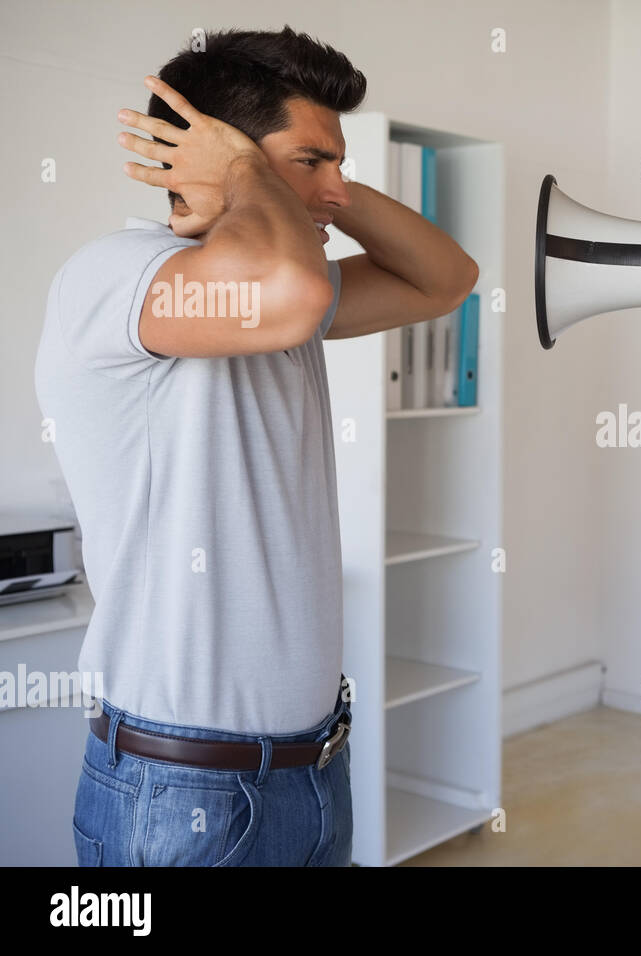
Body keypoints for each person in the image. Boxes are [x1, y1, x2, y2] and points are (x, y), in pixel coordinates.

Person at [34, 27, 478, 866]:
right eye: (312, 160)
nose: (334, 188)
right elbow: (287, 287)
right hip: (181, 790)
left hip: (311, 768)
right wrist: (242, 174)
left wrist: (308, 189)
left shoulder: (286, 299)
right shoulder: (120, 274)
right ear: (205, 151)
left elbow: (445, 279)